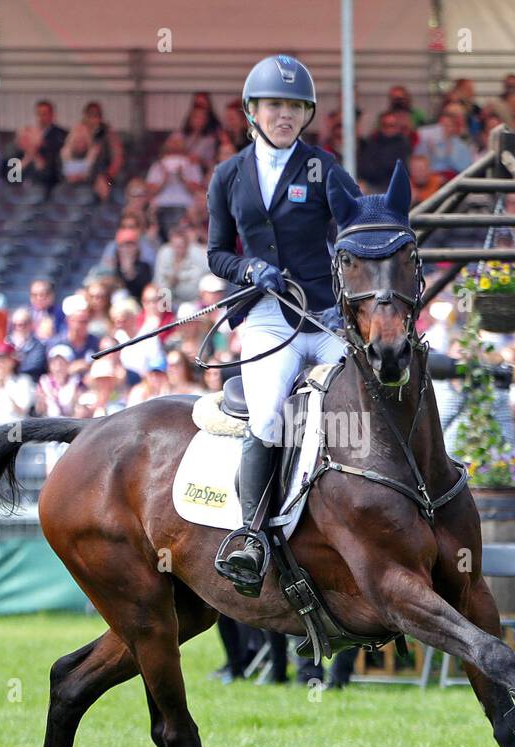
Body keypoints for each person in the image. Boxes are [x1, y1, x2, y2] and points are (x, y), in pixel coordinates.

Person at [206, 54, 357, 587]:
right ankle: (250, 534)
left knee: (366, 402)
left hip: (327, 317)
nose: (284, 115)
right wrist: (249, 266)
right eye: (274, 105)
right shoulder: (228, 175)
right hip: (270, 319)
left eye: (295, 106)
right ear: (252, 111)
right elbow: (217, 254)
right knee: (269, 417)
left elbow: (356, 225)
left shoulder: (323, 167)